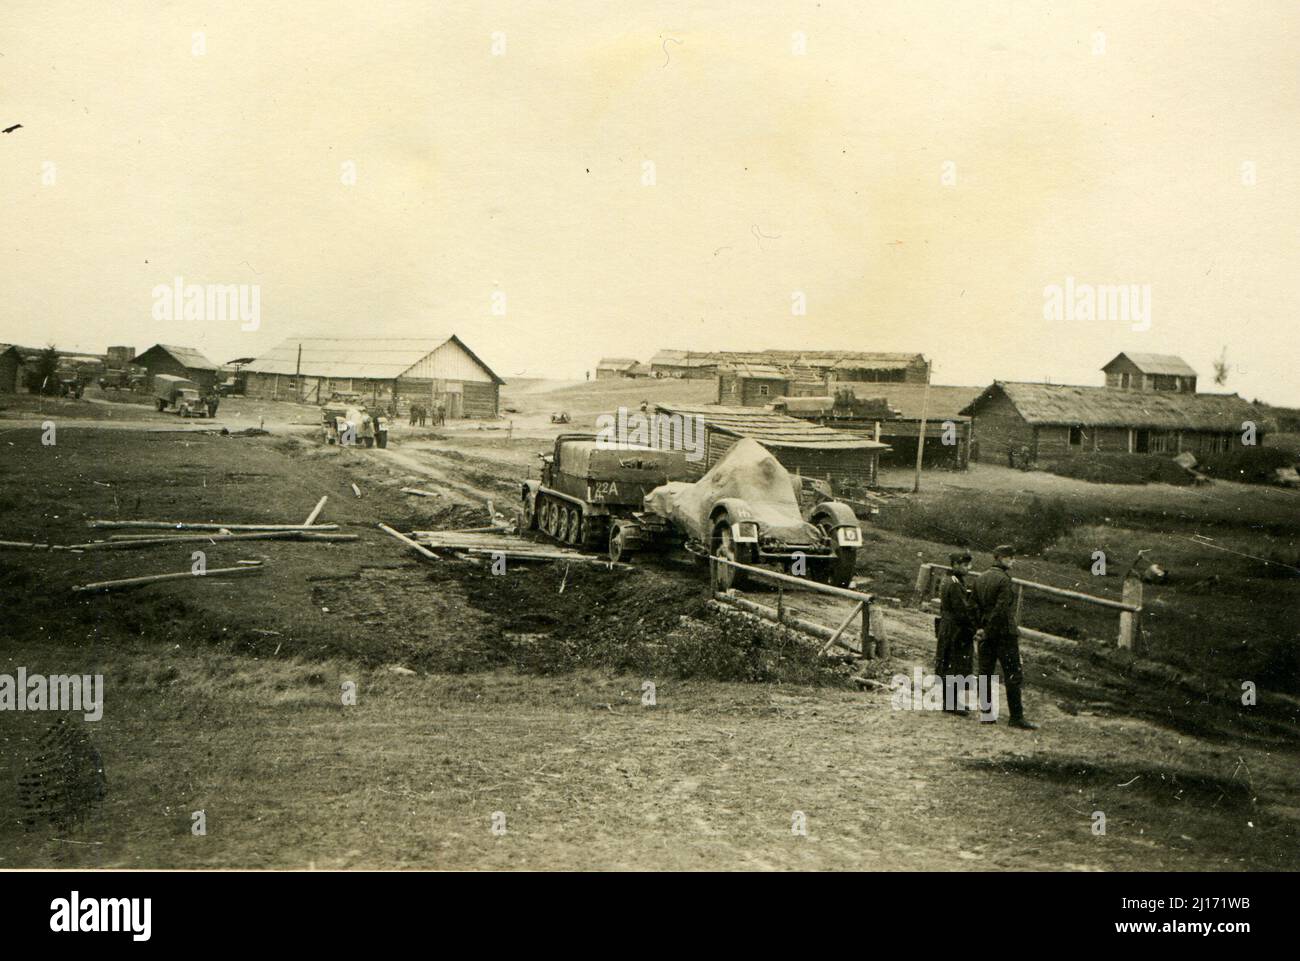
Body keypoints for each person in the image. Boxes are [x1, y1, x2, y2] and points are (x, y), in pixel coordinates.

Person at [972, 545, 1038, 729]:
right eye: (1010, 558)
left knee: (985, 672)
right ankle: (1016, 717)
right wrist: (989, 630)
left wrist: (980, 628)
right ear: (1000, 558)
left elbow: (974, 606)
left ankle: (987, 714)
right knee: (1013, 674)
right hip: (1004, 634)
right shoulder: (1005, 581)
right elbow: (1001, 610)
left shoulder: (980, 578)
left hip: (985, 633)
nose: (1013, 561)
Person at [935, 551, 977, 713]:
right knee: (954, 662)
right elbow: (962, 611)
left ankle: (952, 701)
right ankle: (950, 703)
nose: (968, 568)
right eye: (965, 565)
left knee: (951, 661)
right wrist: (972, 628)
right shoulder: (954, 583)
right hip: (955, 628)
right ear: (955, 565)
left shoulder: (950, 580)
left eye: (968, 565)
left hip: (948, 625)